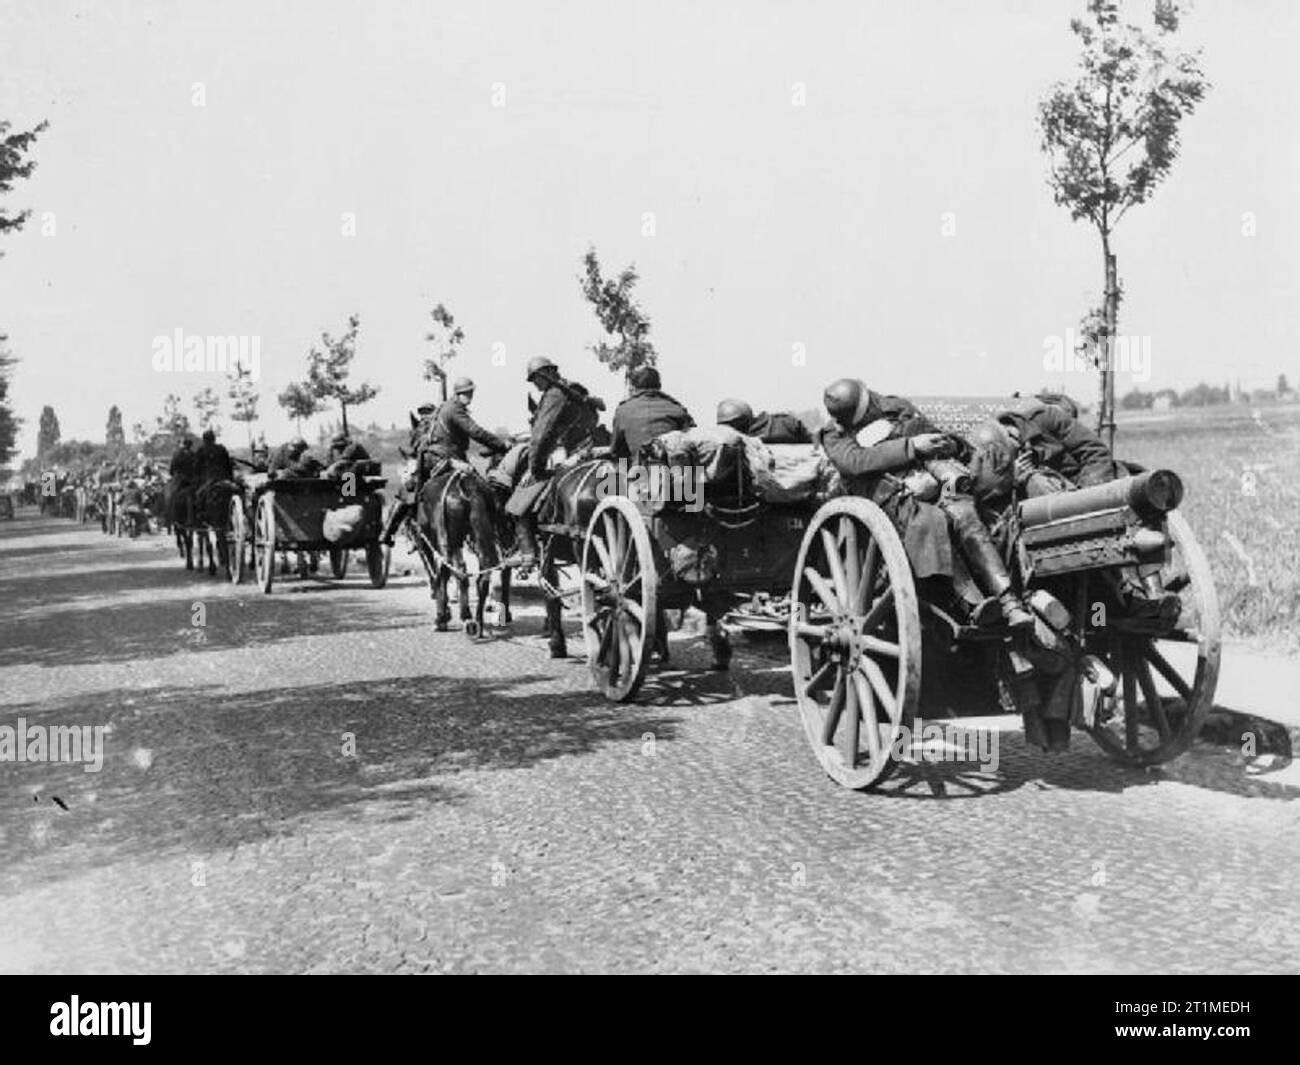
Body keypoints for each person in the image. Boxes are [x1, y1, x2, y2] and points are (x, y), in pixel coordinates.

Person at [819, 378, 1033, 630]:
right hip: (888, 497)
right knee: (931, 522)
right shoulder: (833, 433)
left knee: (965, 515)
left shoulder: (896, 407)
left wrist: (948, 445)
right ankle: (972, 604)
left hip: (931, 481)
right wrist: (911, 446)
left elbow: (933, 435)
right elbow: (854, 462)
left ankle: (1009, 602)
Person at [503, 356, 605, 568]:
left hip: (572, 456)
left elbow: (541, 435)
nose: (535, 385)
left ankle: (528, 553)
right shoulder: (576, 391)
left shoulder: (554, 395)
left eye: (535, 379)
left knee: (517, 501)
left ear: (545, 374)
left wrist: (535, 467)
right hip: (596, 450)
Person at [381, 381, 509, 545]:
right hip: (444, 458)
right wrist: (500, 444)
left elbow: (418, 447)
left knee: (407, 491)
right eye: (466, 393)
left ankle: (388, 532)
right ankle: (500, 532)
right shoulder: (449, 411)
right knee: (408, 489)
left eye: (470, 393)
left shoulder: (440, 415)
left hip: (439, 458)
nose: (424, 415)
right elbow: (475, 432)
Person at [610, 365, 695, 460]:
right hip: (677, 470)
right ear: (659, 386)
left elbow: (617, 452)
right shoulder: (677, 409)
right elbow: (693, 444)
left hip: (639, 471)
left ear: (634, 387)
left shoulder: (622, 411)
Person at [715, 399, 812, 444]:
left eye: (733, 424)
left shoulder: (786, 424)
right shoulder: (727, 445)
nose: (729, 429)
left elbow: (814, 448)